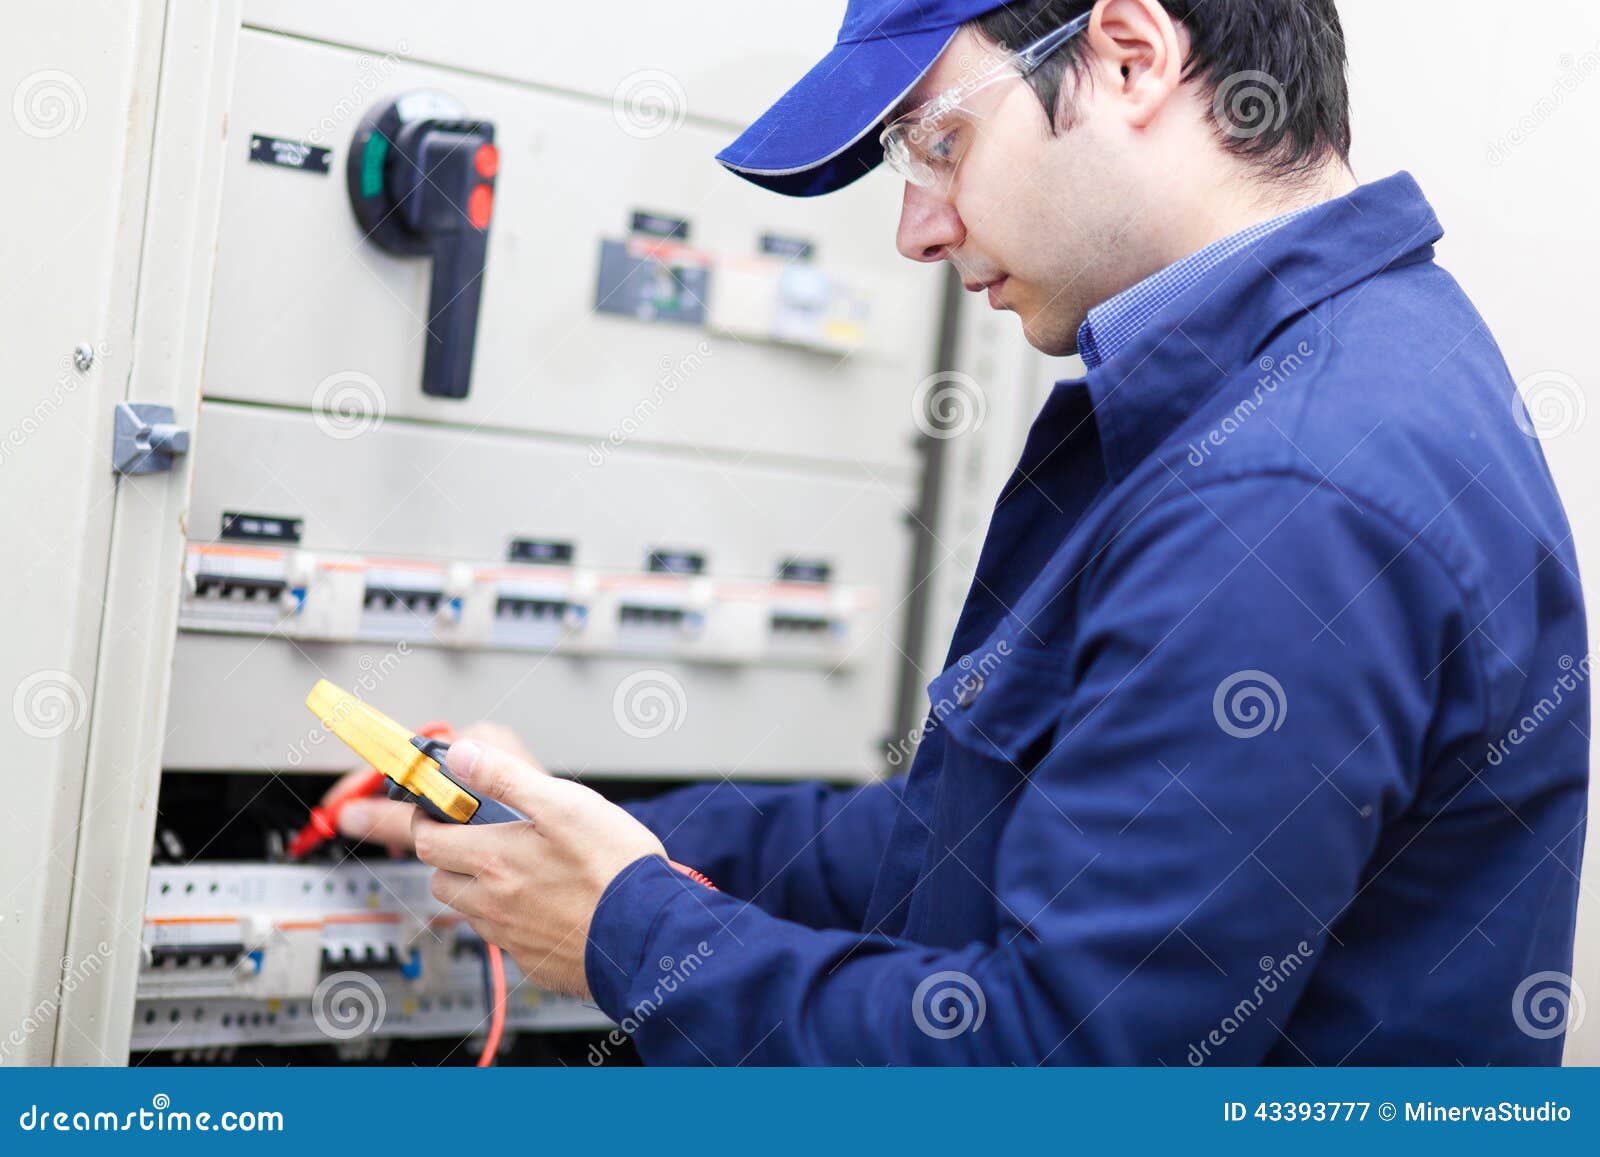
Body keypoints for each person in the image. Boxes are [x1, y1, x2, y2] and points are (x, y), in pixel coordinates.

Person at [331, 0, 1589, 1064]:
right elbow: (973, 842)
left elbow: (1050, 1062)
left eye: (939, 141)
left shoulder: (1285, 487)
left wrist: (629, 934)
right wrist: (587, 833)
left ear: (1130, 57)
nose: (916, 227)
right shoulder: (1294, 378)